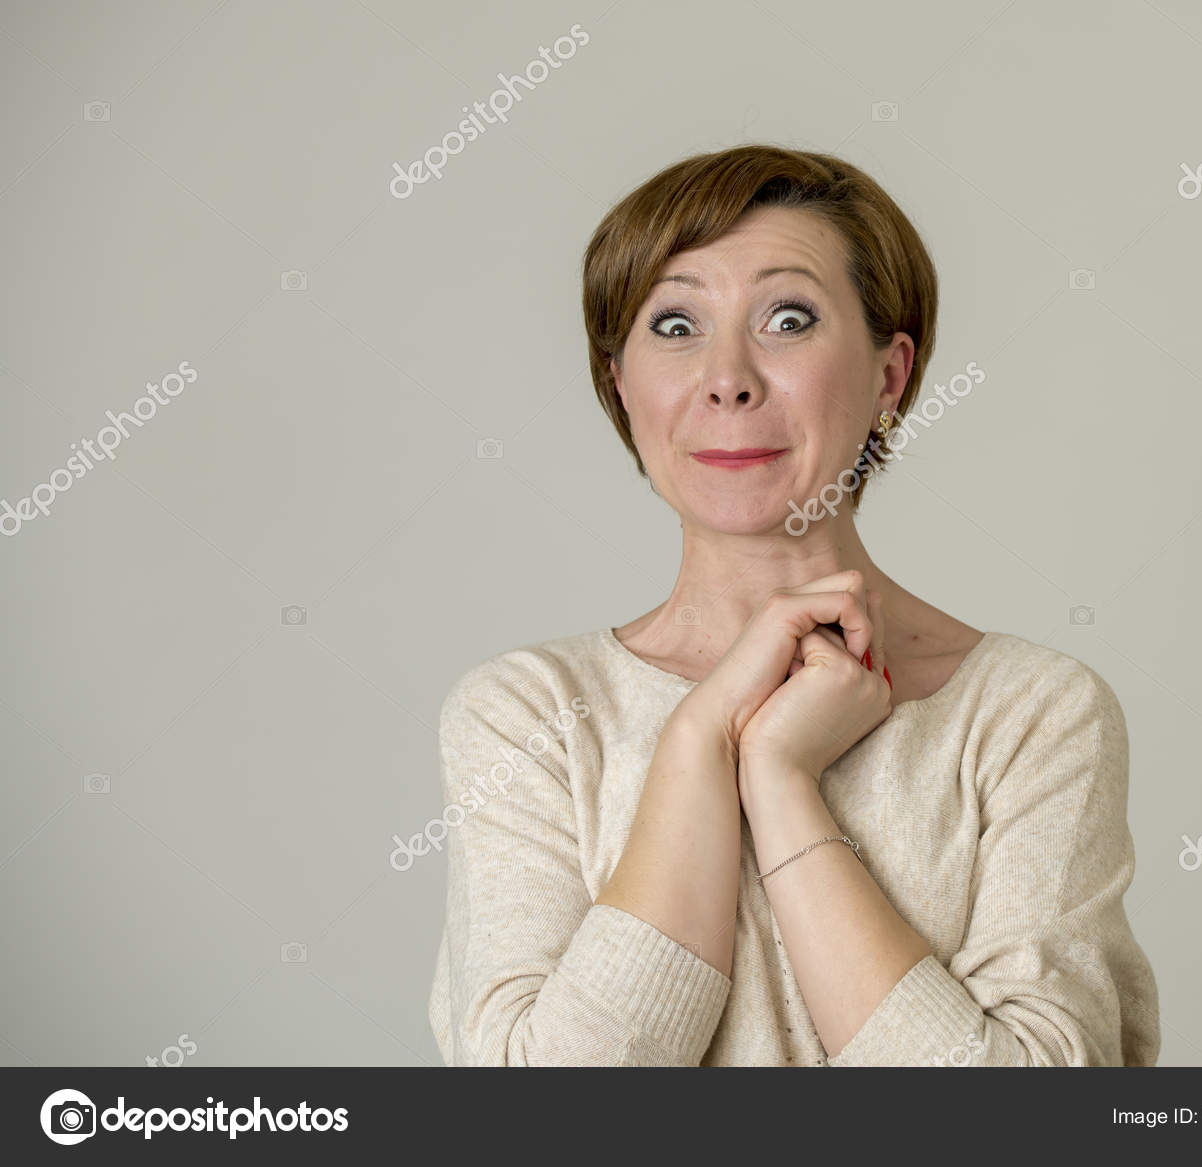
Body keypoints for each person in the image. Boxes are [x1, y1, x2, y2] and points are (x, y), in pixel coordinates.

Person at [427, 144, 1159, 1066]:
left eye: (786, 317)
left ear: (889, 377)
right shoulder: (528, 715)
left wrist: (780, 779)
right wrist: (702, 737)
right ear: (621, 381)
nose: (727, 377)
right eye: (675, 325)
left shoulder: (1030, 713)